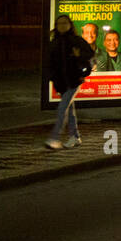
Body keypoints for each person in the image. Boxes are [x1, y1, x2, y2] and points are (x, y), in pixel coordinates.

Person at [45, 14, 94, 149]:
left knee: (62, 108)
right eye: (59, 23)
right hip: (61, 82)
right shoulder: (54, 42)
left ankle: (55, 137)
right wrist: (52, 77)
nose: (62, 26)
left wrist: (79, 56)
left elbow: (89, 54)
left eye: (65, 23)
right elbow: (49, 62)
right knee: (70, 110)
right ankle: (75, 136)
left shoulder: (76, 40)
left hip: (74, 80)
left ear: (70, 25)